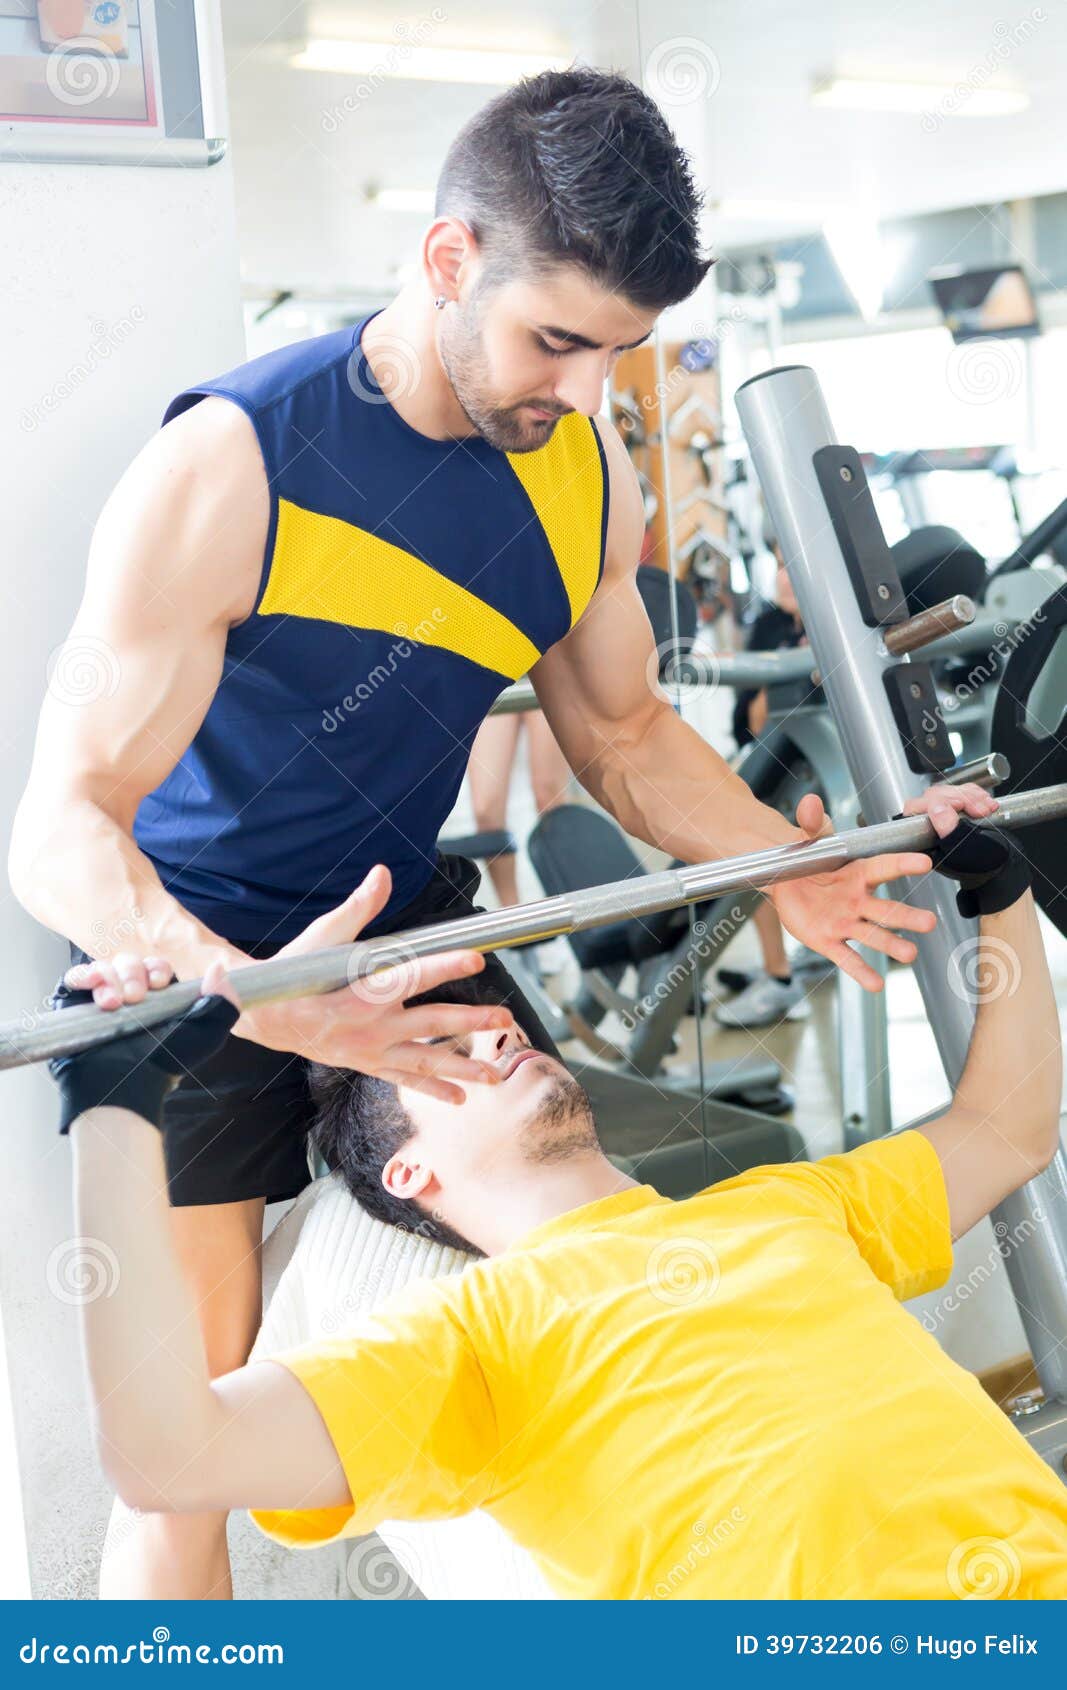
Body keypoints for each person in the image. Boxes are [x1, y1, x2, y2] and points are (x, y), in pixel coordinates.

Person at [10, 66, 992, 1598]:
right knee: (183, 1455)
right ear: (447, 258)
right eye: (556, 340)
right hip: (185, 961)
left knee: (595, 1291)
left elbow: (619, 735)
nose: (584, 390)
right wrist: (258, 995)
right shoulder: (231, 465)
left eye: (616, 352)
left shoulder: (578, 471)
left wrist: (777, 861)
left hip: (405, 926)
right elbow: (58, 828)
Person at [52, 794, 1067, 1599]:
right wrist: (115, 1109)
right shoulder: (467, 1344)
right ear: (406, 1172)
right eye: (441, 1054)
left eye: (493, 1025)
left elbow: (1007, 1125)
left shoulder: (788, 1206)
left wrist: (997, 893)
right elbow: (167, 1461)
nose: (497, 1034)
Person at [718, 546, 826, 1029]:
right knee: (755, 843)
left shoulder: (841, 630)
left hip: (827, 772)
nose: (784, 577)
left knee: (772, 847)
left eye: (794, 565)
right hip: (777, 767)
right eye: (779, 566)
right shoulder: (768, 627)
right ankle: (779, 973)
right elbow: (748, 724)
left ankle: (783, 977)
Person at [466, 711, 570, 909]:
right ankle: (511, 912)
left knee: (549, 795)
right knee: (486, 810)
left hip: (548, 680)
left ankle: (568, 903)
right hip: (500, 681)